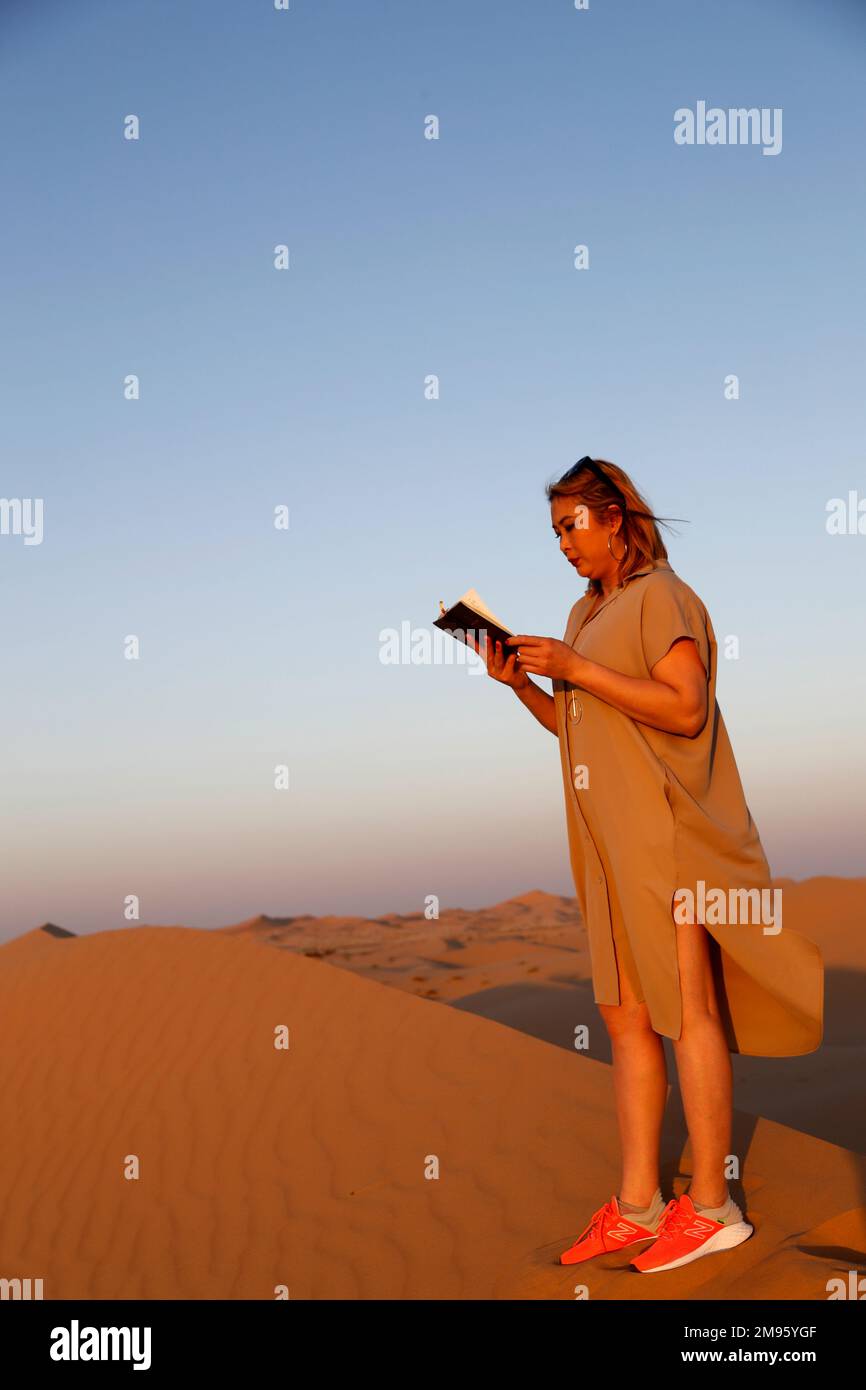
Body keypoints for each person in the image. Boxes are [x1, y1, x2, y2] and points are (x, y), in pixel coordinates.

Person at [472, 457, 823, 1274]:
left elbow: (685, 706)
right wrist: (523, 685)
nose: (563, 543)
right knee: (626, 1018)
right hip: (604, 848)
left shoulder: (662, 595)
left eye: (572, 525)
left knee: (686, 1010)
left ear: (616, 518)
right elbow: (587, 731)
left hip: (667, 841)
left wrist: (578, 668)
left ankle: (712, 1208)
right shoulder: (583, 612)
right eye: (555, 531)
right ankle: (637, 1207)